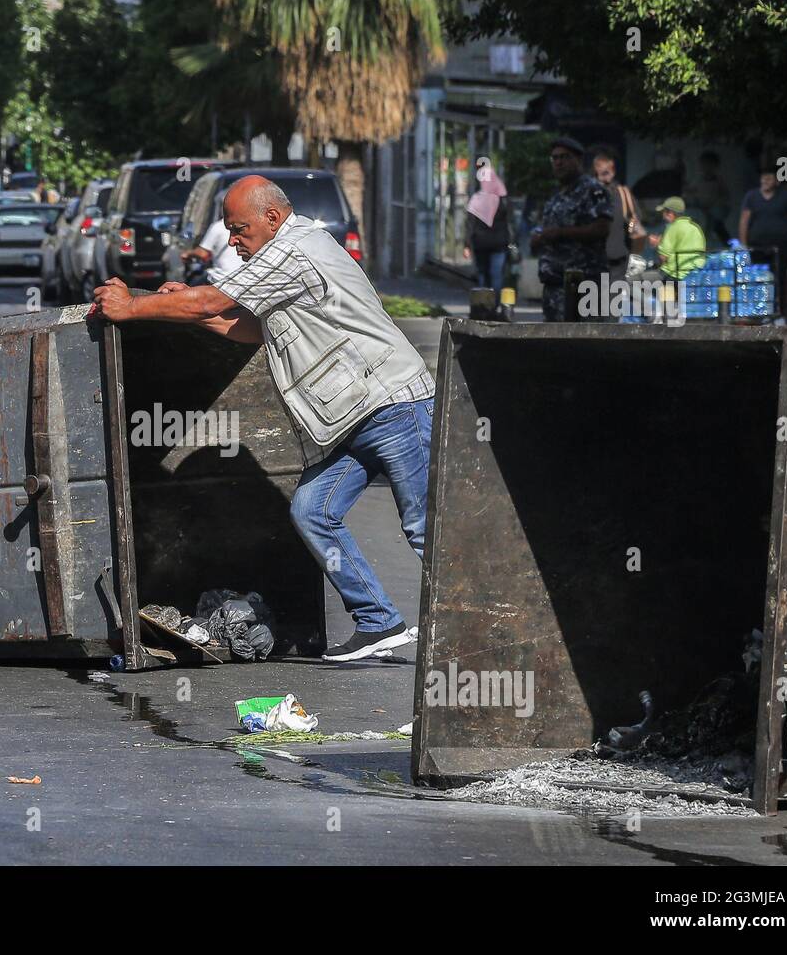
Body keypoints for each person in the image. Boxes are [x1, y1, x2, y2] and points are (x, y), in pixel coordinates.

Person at [92, 175, 434, 663]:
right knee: (313, 512)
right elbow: (253, 327)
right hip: (353, 416)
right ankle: (378, 620)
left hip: (393, 402)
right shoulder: (286, 252)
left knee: (425, 526)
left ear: (272, 218)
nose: (233, 240)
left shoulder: (294, 248)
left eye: (239, 228)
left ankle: (482, 627)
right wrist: (183, 308)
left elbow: (214, 301)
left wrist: (134, 307)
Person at [532, 136, 612, 322]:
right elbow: (546, 229)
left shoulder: (593, 191)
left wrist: (560, 233)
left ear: (578, 160)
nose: (558, 163)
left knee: (585, 344)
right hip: (554, 287)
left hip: (584, 286)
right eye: (555, 158)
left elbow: (602, 228)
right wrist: (539, 237)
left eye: (564, 157)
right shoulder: (556, 196)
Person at [739, 167, 787, 318]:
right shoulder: (752, 196)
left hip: (781, 245)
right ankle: (760, 311)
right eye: (763, 177)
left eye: (769, 178)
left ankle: (779, 312)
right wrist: (743, 244)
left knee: (779, 277)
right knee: (758, 277)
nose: (765, 181)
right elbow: (744, 220)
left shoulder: (786, 196)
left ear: (777, 181)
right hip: (757, 245)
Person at [591, 145, 646, 285]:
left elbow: (634, 219)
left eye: (604, 174)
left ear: (613, 172)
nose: (600, 179)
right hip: (593, 261)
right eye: (596, 175)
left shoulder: (623, 194)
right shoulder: (589, 194)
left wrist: (630, 229)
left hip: (617, 259)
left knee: (613, 302)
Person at [462, 163, 511, 297]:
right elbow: (508, 222)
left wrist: (466, 245)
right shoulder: (503, 199)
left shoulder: (476, 199)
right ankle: (494, 306)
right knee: (496, 275)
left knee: (483, 275)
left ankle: (484, 305)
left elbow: (470, 224)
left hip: (480, 243)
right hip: (498, 244)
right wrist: (510, 241)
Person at [648, 196, 706, 280]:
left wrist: (657, 244)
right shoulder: (696, 227)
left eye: (664, 212)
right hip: (695, 275)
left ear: (670, 213)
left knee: (634, 280)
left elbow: (663, 258)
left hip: (674, 275)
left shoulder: (672, 228)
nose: (663, 216)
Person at [182, 208, 243, 285]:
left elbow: (202, 253)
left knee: (189, 286)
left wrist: (188, 254)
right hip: (244, 277)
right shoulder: (247, 226)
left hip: (222, 277)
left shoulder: (218, 226)